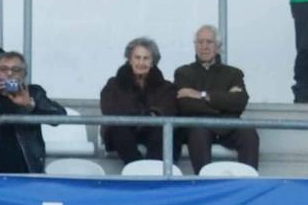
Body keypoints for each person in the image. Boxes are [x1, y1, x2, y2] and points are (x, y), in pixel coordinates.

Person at [173, 25, 259, 173]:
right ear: (195, 46)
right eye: (200, 42)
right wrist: (224, 101)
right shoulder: (183, 72)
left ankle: (249, 183)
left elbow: (239, 103)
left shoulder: (234, 73)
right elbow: (185, 105)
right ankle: (205, 185)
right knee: (198, 132)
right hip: (197, 127)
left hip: (227, 126)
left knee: (249, 133)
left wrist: (202, 95)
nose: (204, 47)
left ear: (218, 47)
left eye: (209, 42)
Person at [0, 52, 66, 175]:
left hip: (27, 167)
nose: (9, 74)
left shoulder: (34, 92)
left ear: (24, 74)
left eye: (16, 70)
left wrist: (30, 105)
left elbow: (60, 117)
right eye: (3, 69)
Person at [96, 37, 178, 166]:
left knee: (161, 132)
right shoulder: (114, 84)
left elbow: (168, 109)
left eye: (146, 58)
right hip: (124, 129)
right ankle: (136, 168)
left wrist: (148, 116)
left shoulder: (165, 87)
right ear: (129, 60)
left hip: (152, 129)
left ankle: (152, 171)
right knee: (119, 131)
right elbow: (110, 109)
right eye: (137, 57)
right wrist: (142, 116)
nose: (141, 62)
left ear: (153, 62)